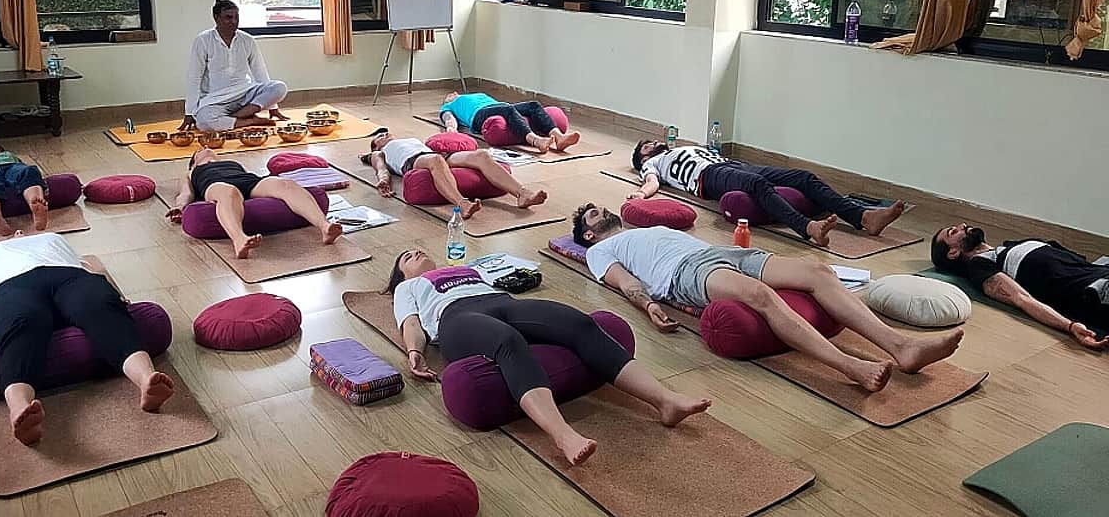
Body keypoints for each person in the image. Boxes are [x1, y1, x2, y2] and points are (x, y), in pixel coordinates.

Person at [573, 204, 964, 392]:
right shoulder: (599, 251)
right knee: (759, 295)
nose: (602, 210)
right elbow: (625, 283)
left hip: (717, 252)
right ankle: (849, 366)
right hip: (682, 274)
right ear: (588, 235)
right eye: (592, 214)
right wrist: (650, 306)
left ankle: (903, 346)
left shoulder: (644, 226)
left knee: (818, 270)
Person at [388, 248, 712, 466]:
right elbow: (412, 323)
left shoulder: (467, 269)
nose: (416, 253)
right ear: (402, 274)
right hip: (456, 319)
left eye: (417, 250)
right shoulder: (410, 288)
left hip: (501, 301)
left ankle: (665, 401)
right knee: (508, 341)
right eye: (406, 257)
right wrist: (414, 352)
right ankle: (563, 436)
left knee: (581, 323)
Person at [0, 232, 175, 446]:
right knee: (22, 321)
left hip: (69, 277)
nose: (19, 231)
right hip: (13, 285)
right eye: (15, 233)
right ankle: (20, 408)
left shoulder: (52, 239)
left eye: (23, 230)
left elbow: (96, 273)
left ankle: (146, 378)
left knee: (97, 306)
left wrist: (117, 298)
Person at [630, 139, 906, 247]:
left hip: (731, 164)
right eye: (645, 146)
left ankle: (864, 217)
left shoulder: (681, 147)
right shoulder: (652, 164)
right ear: (642, 158)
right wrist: (642, 195)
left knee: (803, 177)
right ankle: (807, 227)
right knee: (757, 185)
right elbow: (652, 182)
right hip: (708, 177)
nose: (653, 143)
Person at [931, 223, 1109, 350]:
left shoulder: (1011, 245)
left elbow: (1083, 263)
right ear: (953, 252)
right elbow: (1022, 299)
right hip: (1095, 290)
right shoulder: (979, 266)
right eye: (953, 232)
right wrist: (1070, 327)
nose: (962, 225)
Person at [166, 148, 342, 258]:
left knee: (285, 184)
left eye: (207, 147)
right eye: (200, 150)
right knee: (229, 193)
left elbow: (252, 176)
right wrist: (180, 207)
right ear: (194, 160)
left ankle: (324, 226)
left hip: (249, 182)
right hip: (216, 185)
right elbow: (186, 193)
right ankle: (239, 239)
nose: (205, 148)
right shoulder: (191, 172)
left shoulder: (230, 162)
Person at [362, 131, 547, 220]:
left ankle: (522, 193)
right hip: (413, 162)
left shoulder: (408, 139)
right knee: (435, 160)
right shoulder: (380, 152)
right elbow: (381, 169)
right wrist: (383, 180)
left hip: (437, 155)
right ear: (376, 146)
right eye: (379, 137)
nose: (384, 134)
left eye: (385, 132)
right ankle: (462, 204)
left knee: (481, 155)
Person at [179, 0, 289, 132]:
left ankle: (232, 119)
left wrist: (273, 107)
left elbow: (260, 72)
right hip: (215, 99)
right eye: (228, 17)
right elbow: (194, 77)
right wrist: (190, 112)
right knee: (203, 121)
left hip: (245, 93)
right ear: (216, 18)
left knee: (279, 87)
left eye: (236, 17)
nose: (233, 21)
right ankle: (250, 120)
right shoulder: (203, 40)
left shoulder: (247, 40)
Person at [439, 91, 580, 152]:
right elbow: (449, 119)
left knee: (534, 105)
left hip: (500, 106)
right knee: (508, 110)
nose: (452, 94)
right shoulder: (448, 106)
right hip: (478, 115)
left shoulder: (475, 95)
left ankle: (559, 138)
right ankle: (536, 141)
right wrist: (451, 130)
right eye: (449, 96)